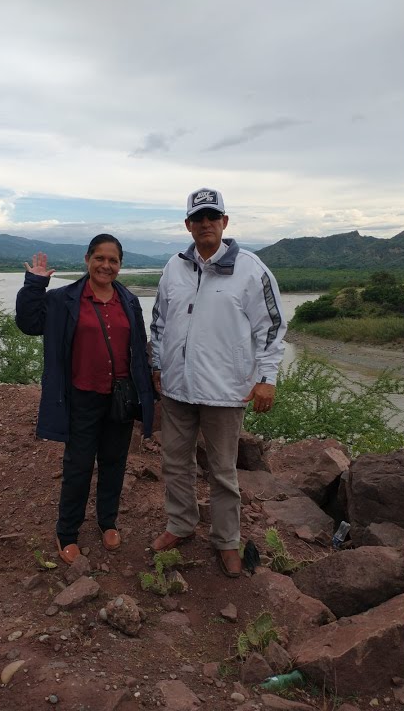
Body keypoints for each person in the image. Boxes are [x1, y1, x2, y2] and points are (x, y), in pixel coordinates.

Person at [148, 188, 285, 578]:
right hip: (176, 389)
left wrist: (267, 378)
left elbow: (272, 327)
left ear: (224, 222)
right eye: (198, 218)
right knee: (175, 462)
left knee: (223, 471)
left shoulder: (250, 269)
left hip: (226, 392)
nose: (205, 224)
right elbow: (159, 320)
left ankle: (227, 540)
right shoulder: (173, 267)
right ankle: (180, 524)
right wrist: (158, 362)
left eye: (213, 217)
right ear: (188, 225)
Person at [15, 234, 156, 565]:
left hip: (119, 398)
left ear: (120, 265)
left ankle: (108, 522)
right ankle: (67, 532)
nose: (106, 265)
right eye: (100, 258)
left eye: (113, 260)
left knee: (114, 462)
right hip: (81, 397)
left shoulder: (130, 301)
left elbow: (138, 350)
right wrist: (35, 284)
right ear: (87, 259)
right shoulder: (65, 299)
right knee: (78, 466)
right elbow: (29, 323)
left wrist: (147, 390)